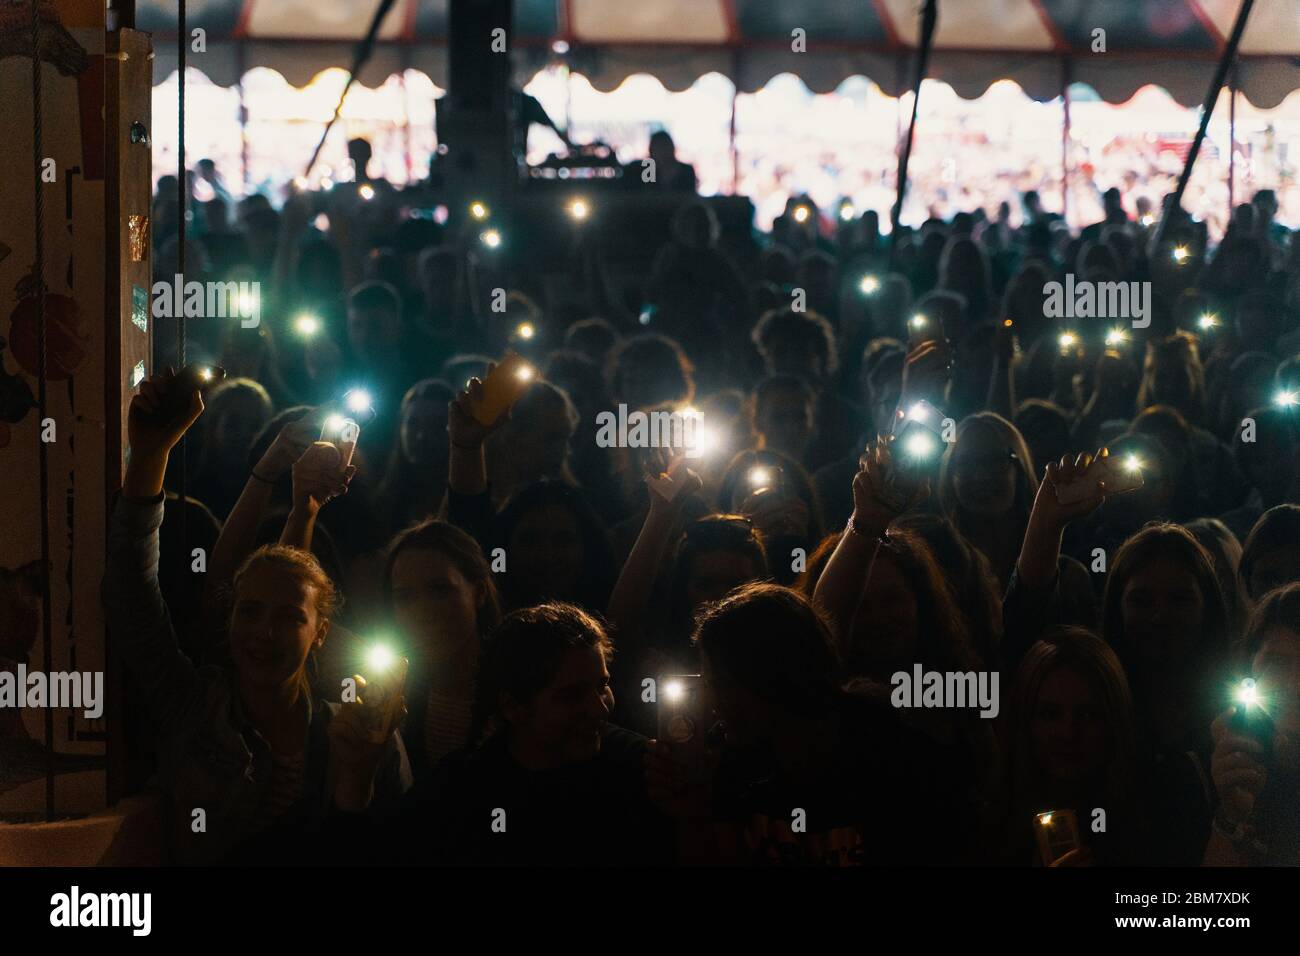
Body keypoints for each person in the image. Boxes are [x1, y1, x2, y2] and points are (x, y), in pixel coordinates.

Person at [104, 369, 410, 864]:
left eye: (289, 617)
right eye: (250, 611)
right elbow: (131, 590)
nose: (264, 633)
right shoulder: (190, 706)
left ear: (321, 632)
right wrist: (152, 453)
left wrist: (357, 778)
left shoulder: (362, 731)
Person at [644, 583, 983, 865]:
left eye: (721, 682)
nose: (711, 702)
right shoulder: (731, 762)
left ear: (770, 678)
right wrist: (693, 813)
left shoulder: (897, 761)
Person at [381, 519, 503, 781]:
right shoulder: (391, 700)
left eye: (440, 590)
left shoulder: (520, 693)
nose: (423, 611)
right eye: (405, 596)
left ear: (479, 592)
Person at [1204, 583, 1300, 865]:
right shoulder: (1220, 763)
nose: (1295, 684)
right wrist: (1233, 814)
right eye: (1277, 662)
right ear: (1250, 669)